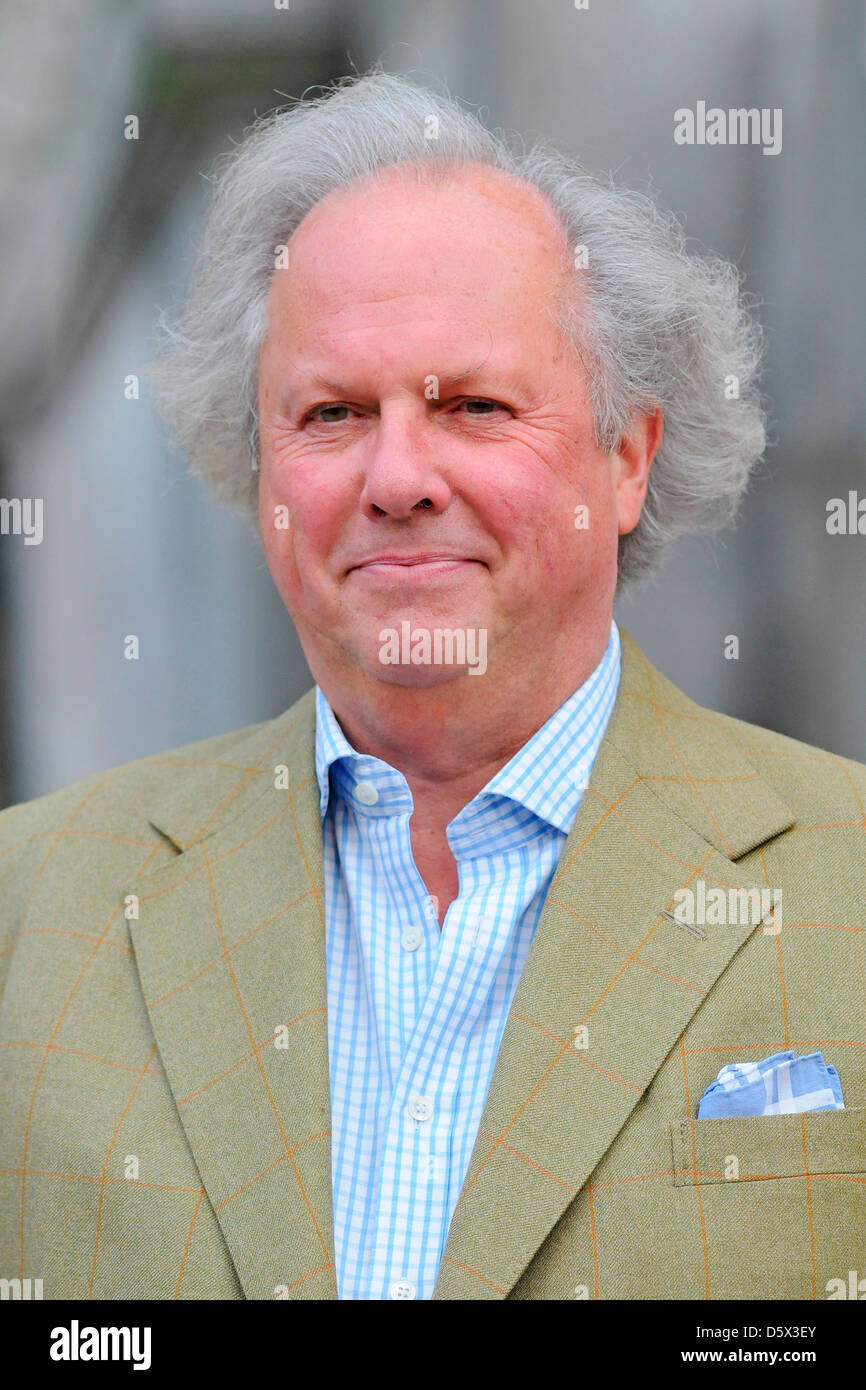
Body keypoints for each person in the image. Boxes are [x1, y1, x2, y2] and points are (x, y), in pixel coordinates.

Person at [1, 70, 863, 1302]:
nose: (398, 476)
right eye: (332, 412)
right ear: (260, 474)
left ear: (624, 460)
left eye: (472, 406)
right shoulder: (25, 912)